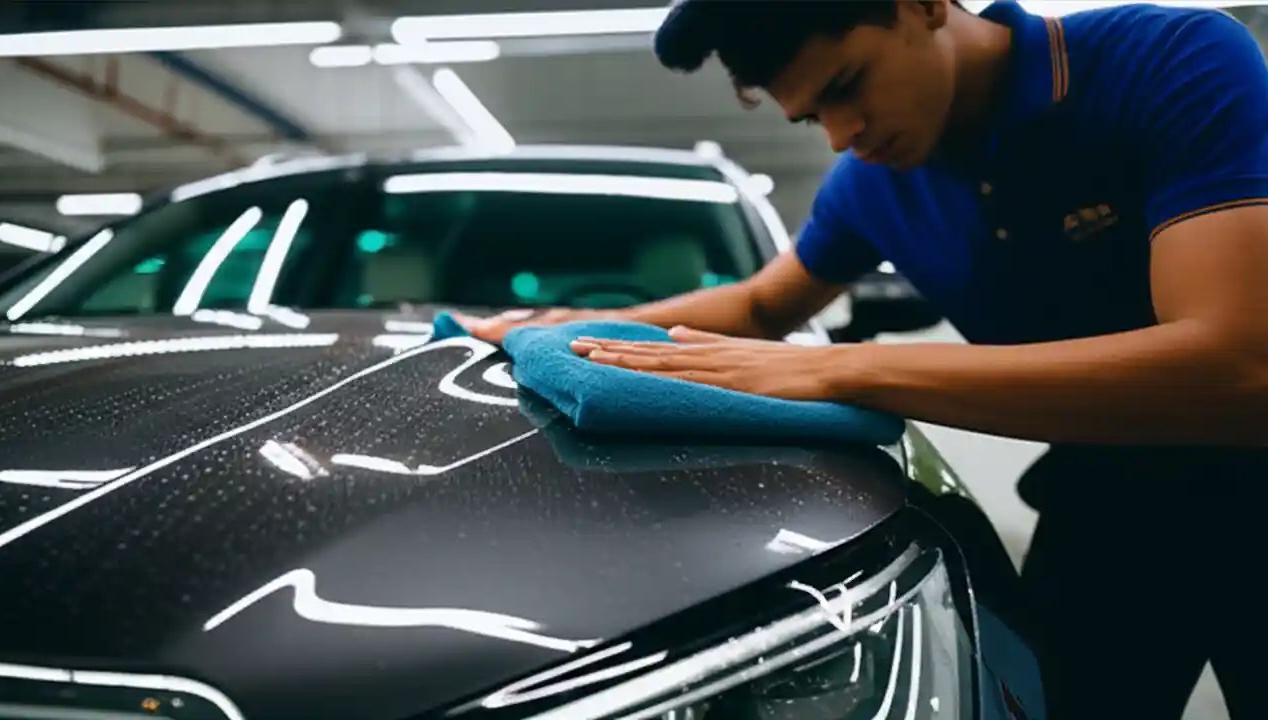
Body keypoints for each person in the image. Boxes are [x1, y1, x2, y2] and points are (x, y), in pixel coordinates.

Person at [455, 2, 1267, 717]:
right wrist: (576, 325)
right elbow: (762, 306)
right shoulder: (875, 182)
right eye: (813, 119)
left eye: (846, 85)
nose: (843, 137)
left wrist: (841, 369)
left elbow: (1239, 370)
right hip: (1109, 497)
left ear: (923, 5)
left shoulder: (1170, 58)